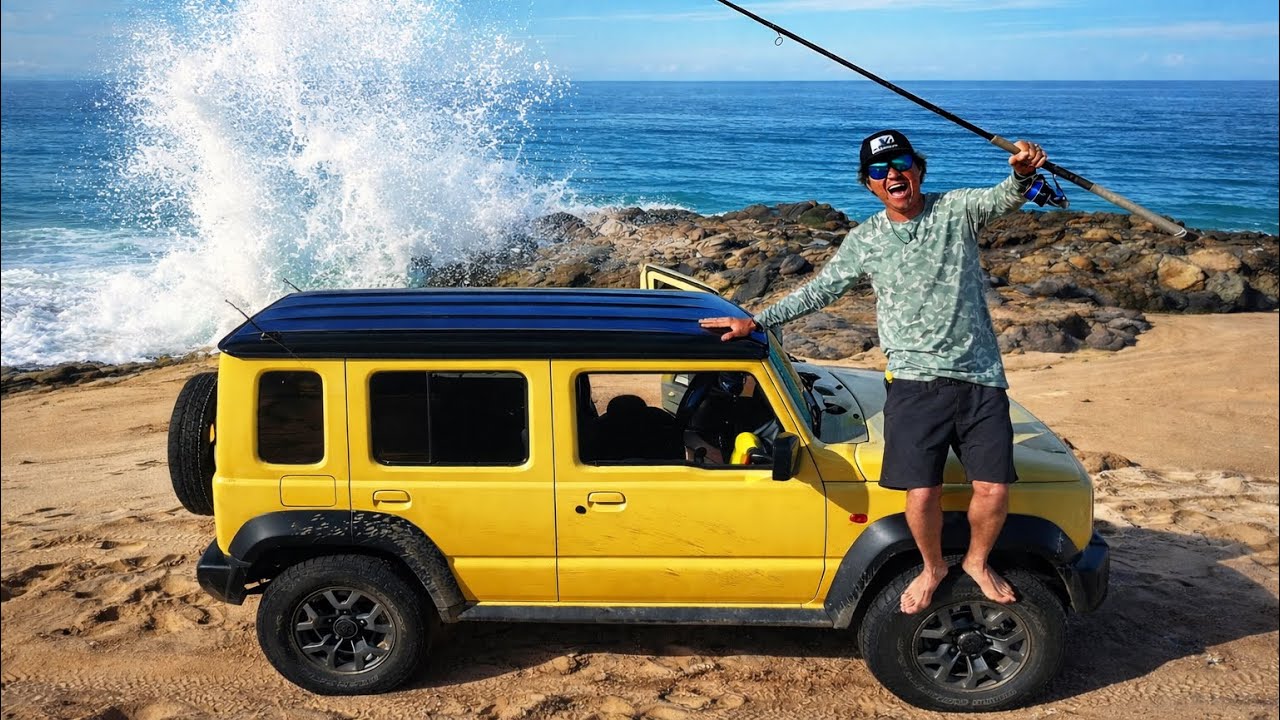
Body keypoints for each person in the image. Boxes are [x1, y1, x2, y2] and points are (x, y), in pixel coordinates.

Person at [699, 129, 1048, 615]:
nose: (893, 175)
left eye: (901, 163)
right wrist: (756, 321)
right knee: (920, 494)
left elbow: (1005, 197)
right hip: (912, 381)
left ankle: (975, 561)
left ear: (919, 170)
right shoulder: (865, 240)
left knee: (994, 488)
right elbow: (820, 291)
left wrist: (1023, 172)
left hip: (980, 378)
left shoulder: (958, 209)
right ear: (869, 185)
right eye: (880, 171)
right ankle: (932, 568)